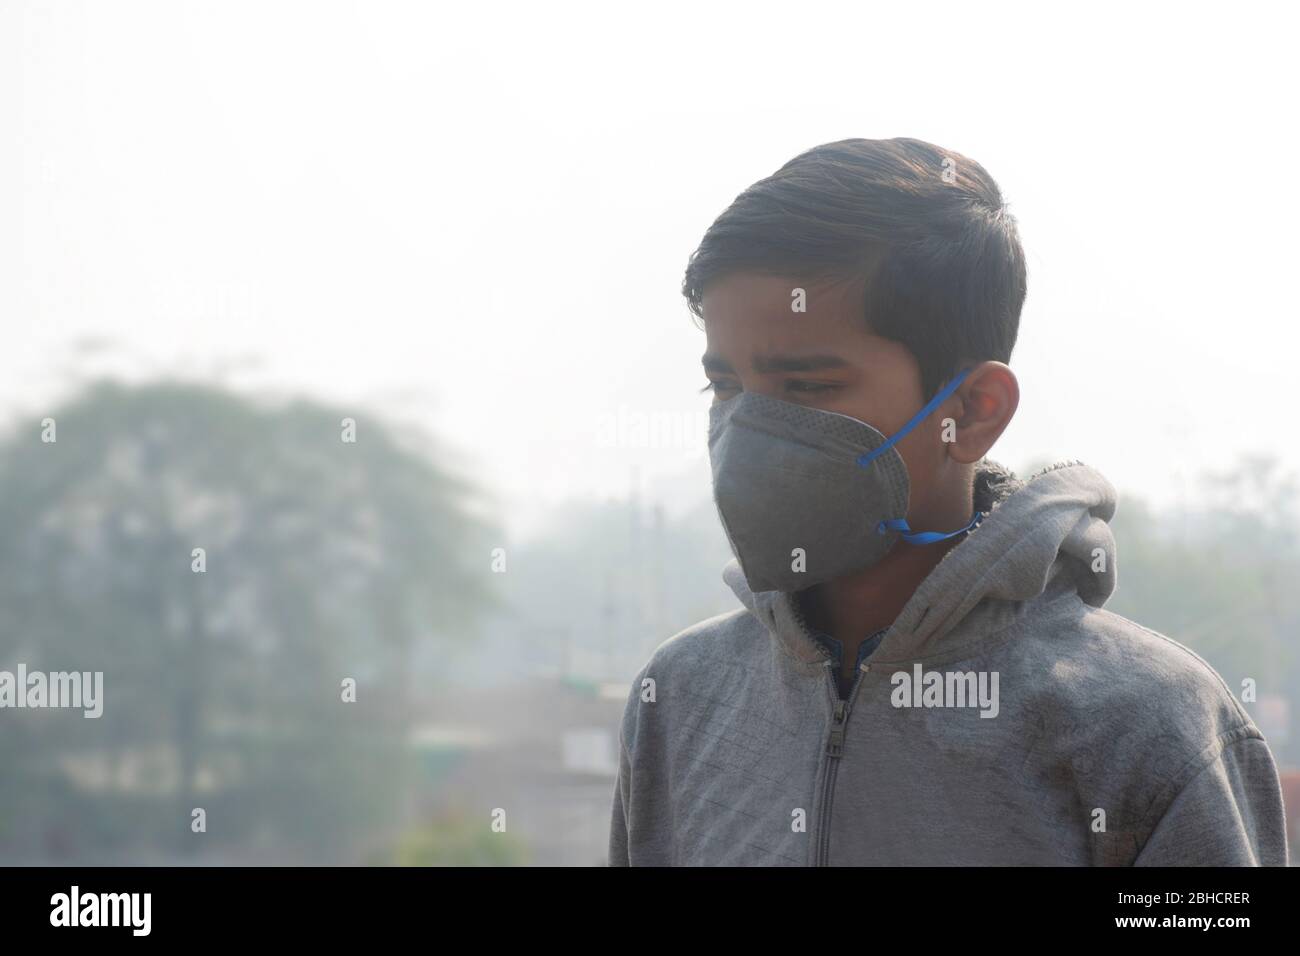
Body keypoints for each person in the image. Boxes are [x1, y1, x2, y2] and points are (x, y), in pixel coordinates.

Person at [607, 137, 1289, 866]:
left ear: (972, 409)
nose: (746, 433)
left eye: (808, 387)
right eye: (727, 386)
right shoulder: (679, 697)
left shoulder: (1147, 727)